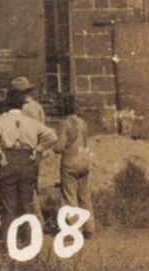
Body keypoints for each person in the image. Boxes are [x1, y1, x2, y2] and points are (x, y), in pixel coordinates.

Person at [0, 88, 57, 225]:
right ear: (21, 106)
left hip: (8, 159)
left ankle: (9, 242)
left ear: (7, 105)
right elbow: (52, 136)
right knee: (27, 202)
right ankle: (29, 239)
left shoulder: (2, 121)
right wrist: (38, 149)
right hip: (27, 159)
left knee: (8, 204)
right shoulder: (30, 122)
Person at [53, 95, 94, 234]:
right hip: (83, 161)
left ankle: (74, 229)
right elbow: (85, 143)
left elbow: (59, 147)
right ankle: (89, 228)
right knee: (84, 195)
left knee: (69, 196)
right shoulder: (82, 123)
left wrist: (55, 146)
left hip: (70, 162)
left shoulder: (65, 124)